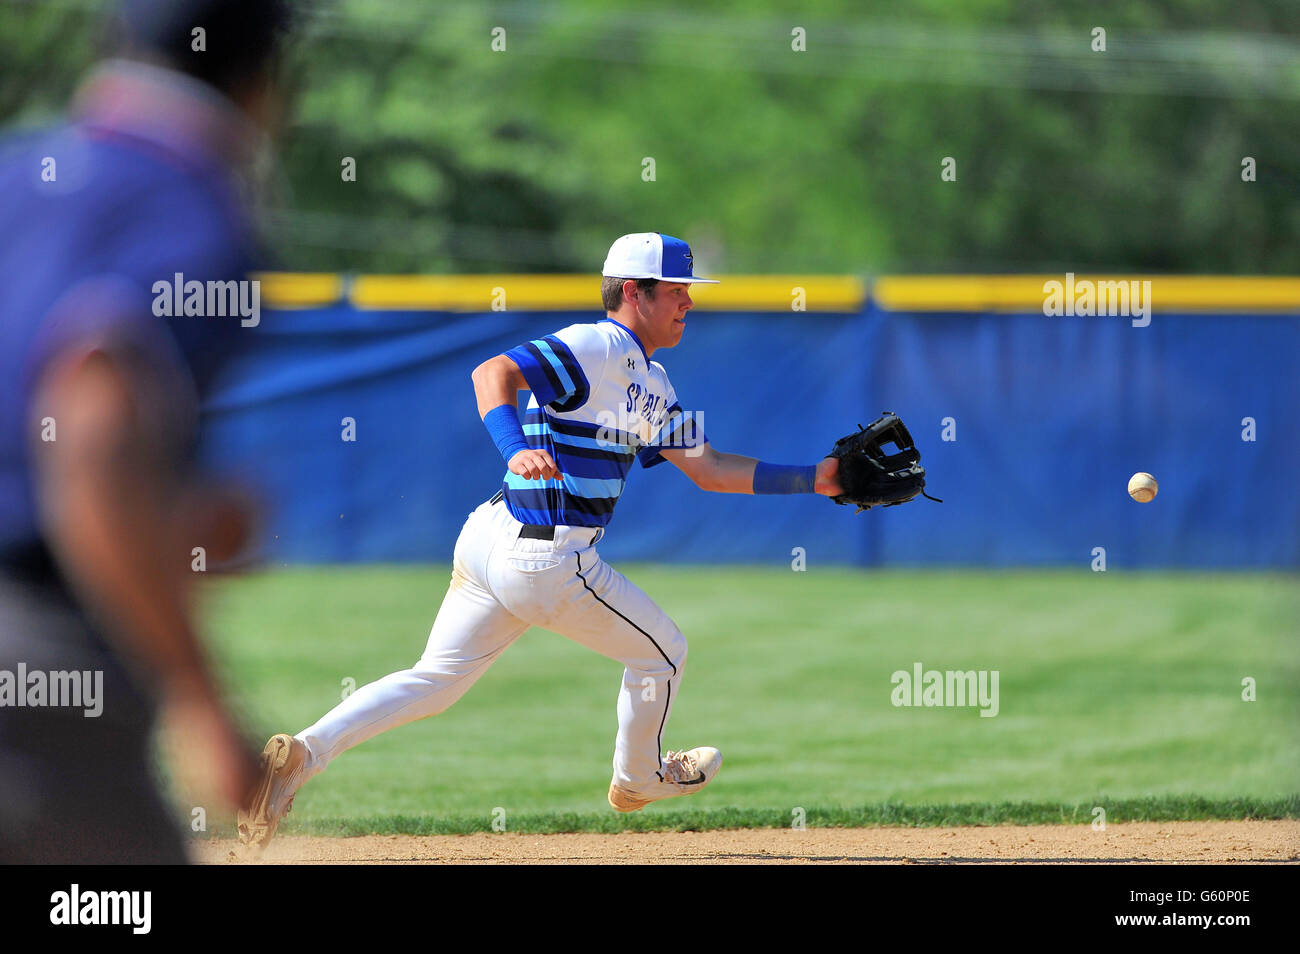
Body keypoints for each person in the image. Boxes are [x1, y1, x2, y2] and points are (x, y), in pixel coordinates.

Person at [239, 232, 844, 848]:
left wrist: (814, 479)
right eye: (677, 289)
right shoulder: (597, 344)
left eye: (690, 290)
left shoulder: (654, 382)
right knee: (664, 652)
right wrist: (514, 447)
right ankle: (638, 778)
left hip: (492, 540)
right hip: (545, 555)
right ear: (633, 291)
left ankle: (301, 758)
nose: (688, 300)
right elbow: (492, 372)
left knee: (435, 682)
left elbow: (710, 469)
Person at [0, 0, 293, 863]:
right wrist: (203, 701)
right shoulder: (188, 203)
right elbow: (94, 419)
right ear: (264, 80)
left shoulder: (16, 171)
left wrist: (167, 524)